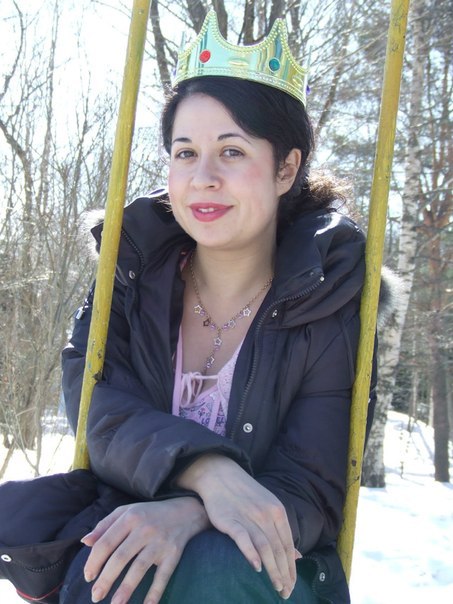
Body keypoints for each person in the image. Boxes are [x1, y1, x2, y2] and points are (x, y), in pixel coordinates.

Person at [60, 10, 376, 604]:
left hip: (266, 572)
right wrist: (207, 471)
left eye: (232, 151)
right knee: (109, 568)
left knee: (215, 565)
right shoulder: (130, 274)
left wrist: (191, 512)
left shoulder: (327, 300)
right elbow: (94, 405)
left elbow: (313, 485)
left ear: (286, 168)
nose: (202, 177)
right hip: (127, 542)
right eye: (185, 153)